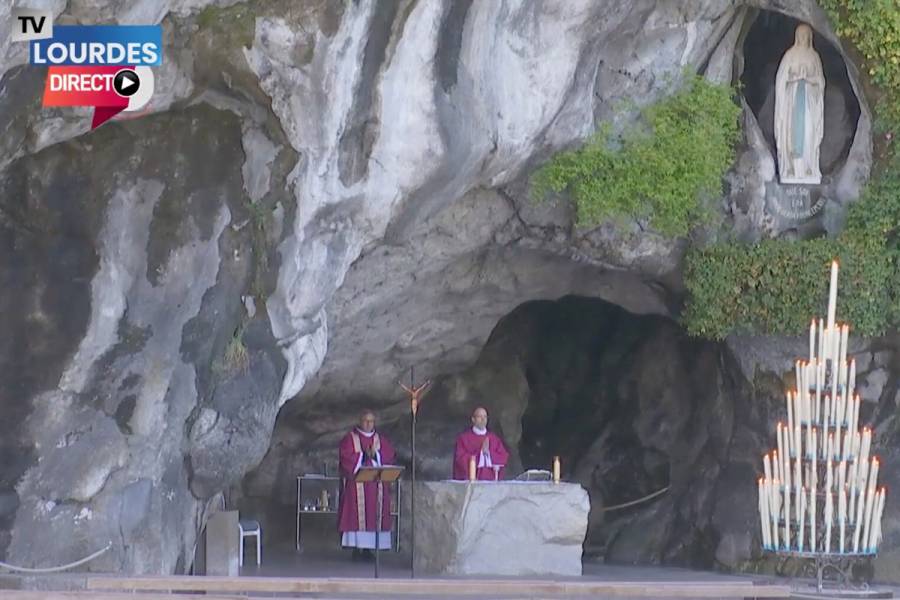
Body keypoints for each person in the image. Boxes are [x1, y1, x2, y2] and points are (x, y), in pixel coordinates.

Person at [337, 410, 395, 560]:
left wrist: (375, 455)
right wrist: (363, 455)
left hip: (376, 487)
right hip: (356, 487)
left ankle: (370, 550)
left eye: (371, 421)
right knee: (357, 514)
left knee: (374, 514)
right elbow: (346, 458)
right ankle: (357, 549)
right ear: (360, 421)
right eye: (365, 420)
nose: (369, 424)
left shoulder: (380, 440)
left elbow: (389, 456)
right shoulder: (350, 439)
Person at [453, 407, 509, 481]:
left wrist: (488, 454)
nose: (483, 420)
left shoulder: (494, 438)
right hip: (471, 481)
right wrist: (480, 454)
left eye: (485, 417)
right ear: (473, 419)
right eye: (480, 417)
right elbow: (460, 459)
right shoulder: (463, 438)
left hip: (491, 481)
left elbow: (504, 456)